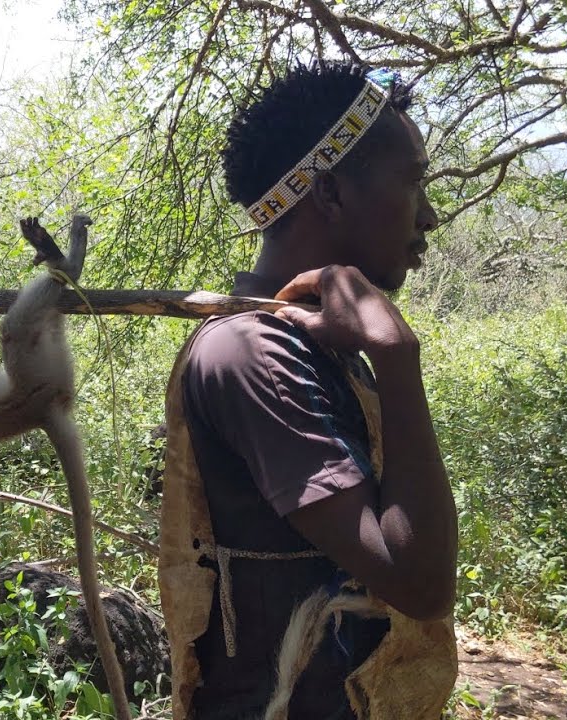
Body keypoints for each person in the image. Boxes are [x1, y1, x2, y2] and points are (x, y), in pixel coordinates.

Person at [158, 63, 459, 719]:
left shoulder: (319, 345)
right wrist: (399, 360)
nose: (428, 215)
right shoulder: (253, 354)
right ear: (329, 193)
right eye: (413, 183)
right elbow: (420, 583)